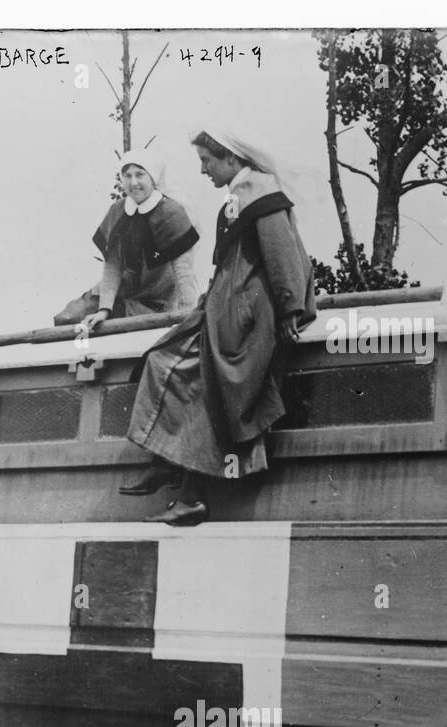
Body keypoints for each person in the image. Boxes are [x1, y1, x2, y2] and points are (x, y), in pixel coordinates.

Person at [120, 127, 316, 526]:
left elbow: (283, 256)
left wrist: (291, 310)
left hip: (245, 315)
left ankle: (189, 495)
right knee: (161, 360)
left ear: (230, 158)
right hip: (224, 307)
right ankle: (166, 461)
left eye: (208, 162)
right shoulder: (241, 193)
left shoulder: (260, 194)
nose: (204, 170)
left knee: (203, 388)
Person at [54, 145, 200, 331]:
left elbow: (184, 273)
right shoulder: (118, 211)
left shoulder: (171, 212)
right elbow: (112, 264)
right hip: (120, 292)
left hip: (155, 299)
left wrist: (187, 316)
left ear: (153, 177)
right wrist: (104, 309)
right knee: (66, 319)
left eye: (140, 175)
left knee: (120, 332)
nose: (133, 182)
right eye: (127, 176)